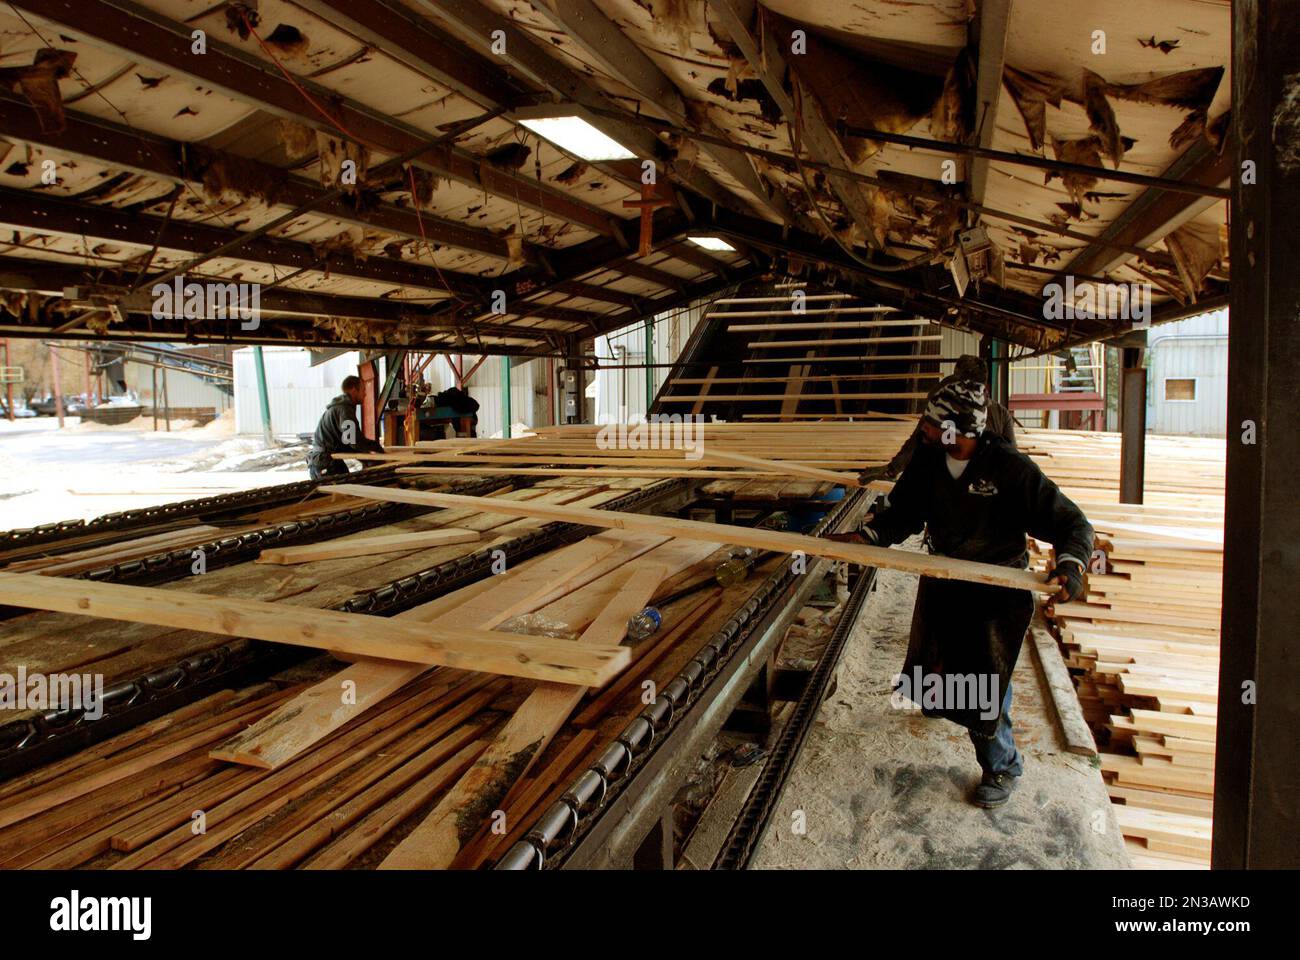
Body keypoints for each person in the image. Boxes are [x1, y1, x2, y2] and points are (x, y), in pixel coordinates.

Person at [828, 380, 1092, 808]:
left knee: (986, 683)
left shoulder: (1008, 468)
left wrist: (1071, 565)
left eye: (933, 425)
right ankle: (945, 701)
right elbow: (904, 511)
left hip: (995, 589)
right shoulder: (930, 460)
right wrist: (868, 536)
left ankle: (1003, 766)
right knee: (935, 657)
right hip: (946, 574)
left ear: (961, 431)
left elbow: (1073, 524)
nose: (925, 432)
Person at [878, 354, 1016, 481]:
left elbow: (919, 439)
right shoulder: (1001, 414)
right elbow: (1011, 456)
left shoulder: (945, 406)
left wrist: (893, 469)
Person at [308, 375, 384, 480]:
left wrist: (368, 457)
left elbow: (348, 444)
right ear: (353, 390)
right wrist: (375, 447)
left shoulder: (339, 408)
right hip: (325, 462)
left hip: (319, 461)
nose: (365, 394)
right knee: (347, 491)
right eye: (363, 390)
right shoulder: (344, 410)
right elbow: (354, 441)